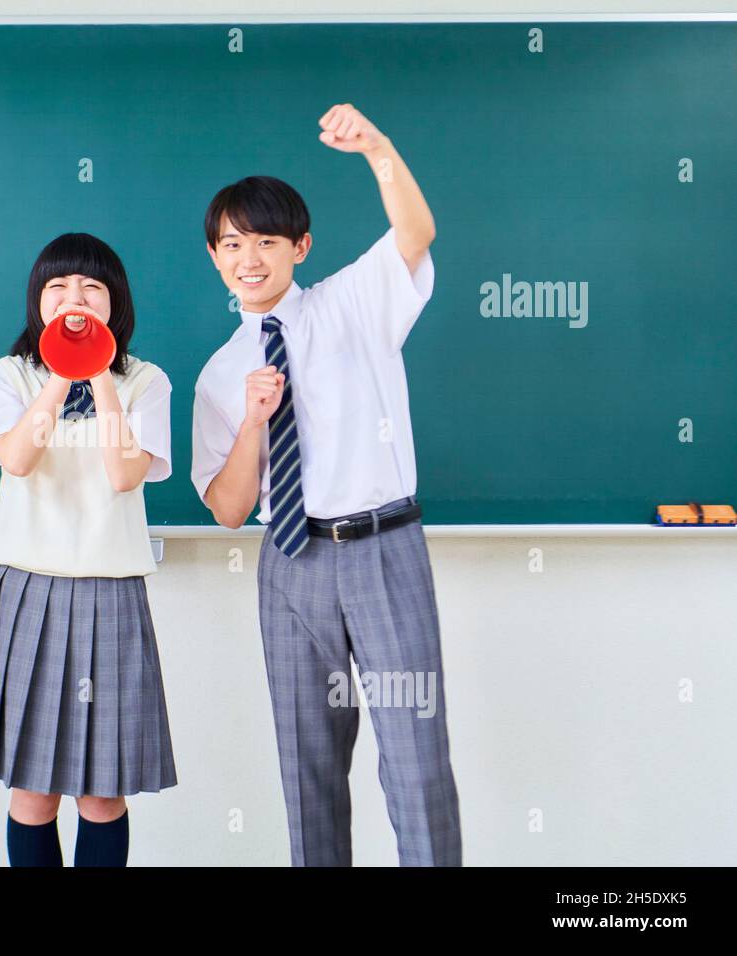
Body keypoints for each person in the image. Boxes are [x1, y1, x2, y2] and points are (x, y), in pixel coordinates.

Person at [191, 104, 462, 866]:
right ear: (215, 256)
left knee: (415, 762)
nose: (251, 258)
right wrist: (251, 422)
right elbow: (228, 509)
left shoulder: (352, 303)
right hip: (291, 565)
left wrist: (377, 146)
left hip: (383, 550)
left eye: (267, 241)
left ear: (299, 247)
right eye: (233, 244)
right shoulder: (218, 375)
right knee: (307, 769)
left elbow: (415, 234)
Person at [0, 233, 178, 867]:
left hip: (111, 590)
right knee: (33, 791)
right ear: (37, 300)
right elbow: (18, 460)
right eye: (57, 287)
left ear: (115, 302)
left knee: (101, 793)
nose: (73, 298)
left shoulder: (147, 381)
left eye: (90, 286)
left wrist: (102, 373)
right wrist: (61, 375)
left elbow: (122, 474)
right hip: (28, 586)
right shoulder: (7, 375)